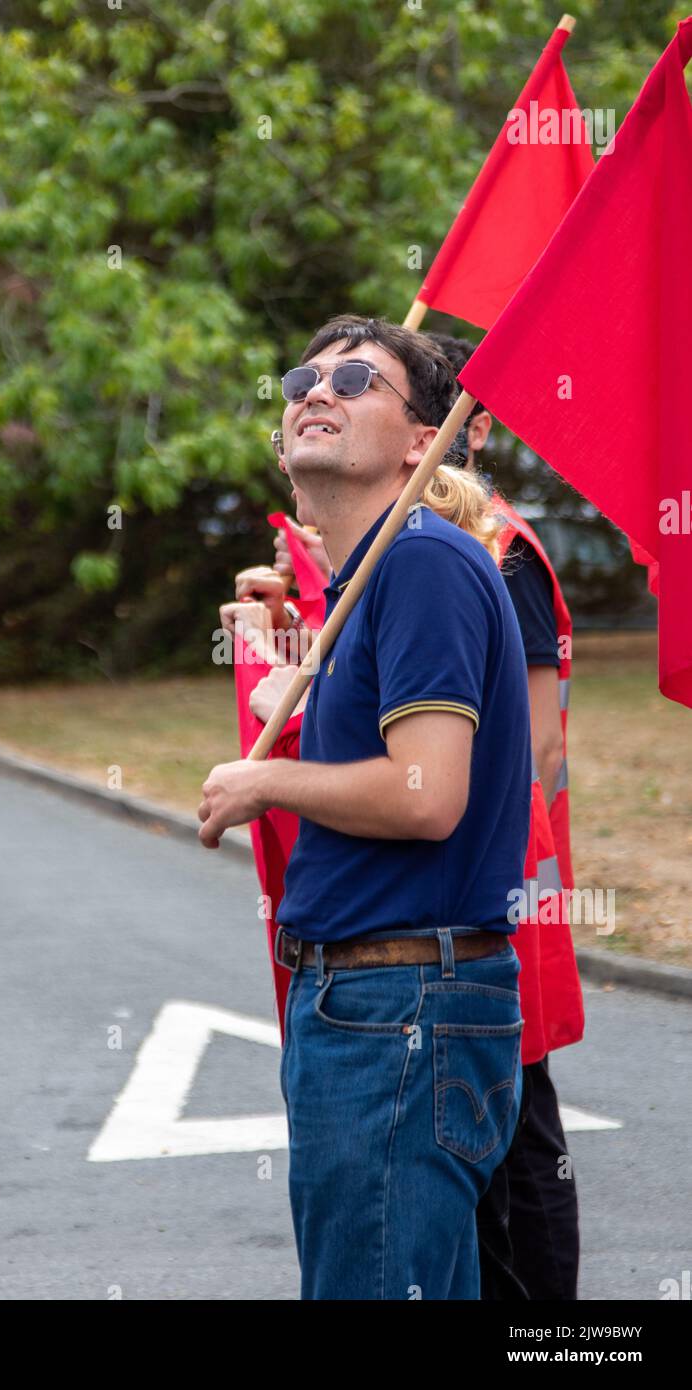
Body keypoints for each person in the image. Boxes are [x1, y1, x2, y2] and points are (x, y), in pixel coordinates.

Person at [199, 314, 532, 1300]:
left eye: (357, 379)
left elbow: (426, 795)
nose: (318, 389)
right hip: (377, 1006)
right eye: (306, 375)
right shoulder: (372, 575)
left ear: (424, 441)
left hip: (399, 1011)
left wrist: (264, 780)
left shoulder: (423, 559)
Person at [425, 333, 582, 1302]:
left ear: (474, 428)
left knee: (522, 1128)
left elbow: (538, 745)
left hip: (508, 880)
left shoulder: (498, 548)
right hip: (475, 877)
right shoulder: (438, 536)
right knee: (482, 1124)